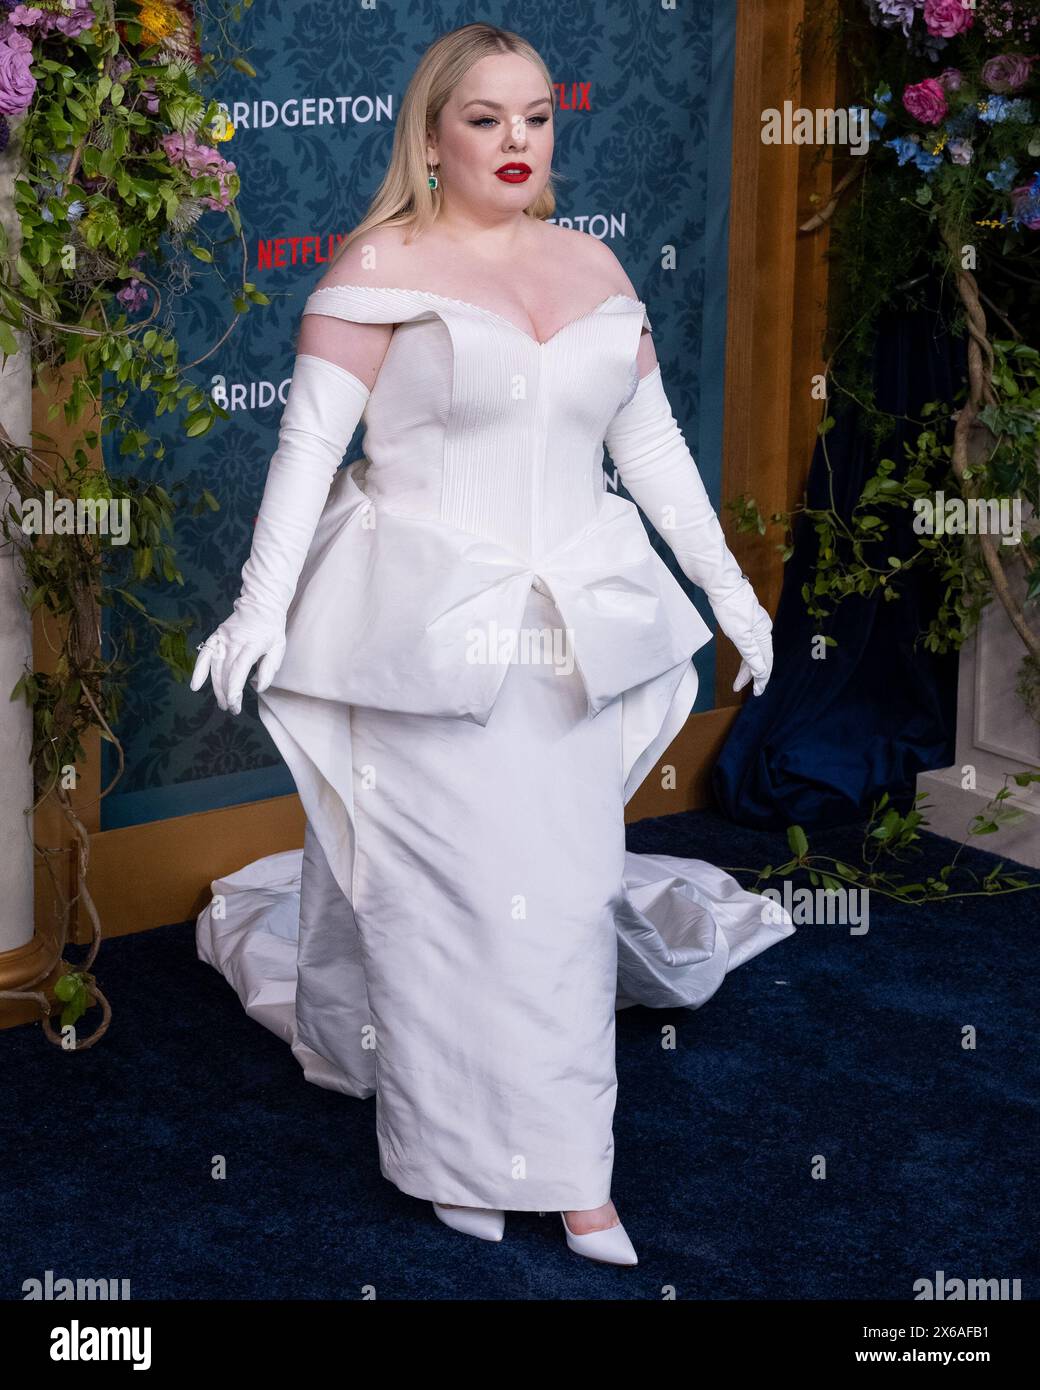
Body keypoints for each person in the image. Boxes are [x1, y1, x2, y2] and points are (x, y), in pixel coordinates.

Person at [191, 22, 793, 1266]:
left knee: (565, 907)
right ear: (430, 135)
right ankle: (460, 1164)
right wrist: (257, 609)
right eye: (484, 119)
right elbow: (304, 458)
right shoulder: (376, 269)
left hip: (571, 641)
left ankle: (574, 1174)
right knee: (446, 908)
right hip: (421, 637)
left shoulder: (592, 270)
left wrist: (734, 595)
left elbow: (654, 458)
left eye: (534, 117)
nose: (516, 141)